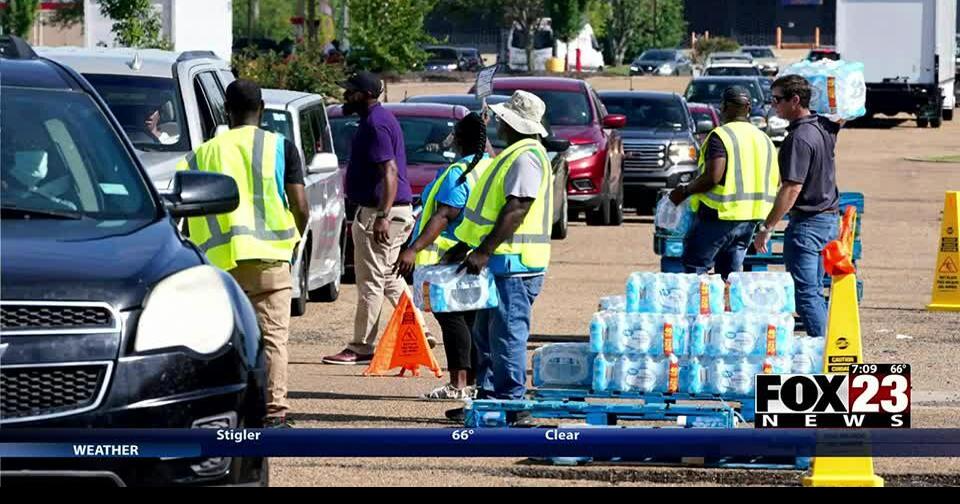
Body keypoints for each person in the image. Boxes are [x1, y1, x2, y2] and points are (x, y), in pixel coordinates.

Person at [177, 80, 310, 428]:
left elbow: (187, 215)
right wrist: (292, 240)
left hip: (221, 267)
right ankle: (275, 411)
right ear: (262, 110)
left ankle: (221, 410)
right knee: (274, 338)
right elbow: (300, 205)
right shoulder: (281, 147)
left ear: (226, 111)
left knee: (221, 341)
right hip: (270, 260)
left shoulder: (202, 153)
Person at [444, 91, 554, 423]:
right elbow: (491, 213)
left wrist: (483, 250)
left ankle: (512, 403)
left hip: (514, 263)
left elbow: (516, 208)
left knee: (507, 335)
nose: (498, 124)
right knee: (488, 335)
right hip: (502, 263)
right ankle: (492, 399)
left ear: (510, 122)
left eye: (502, 119)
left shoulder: (526, 157)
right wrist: (465, 246)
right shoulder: (516, 154)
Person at [322, 71, 433, 365]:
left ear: (366, 95)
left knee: (371, 281)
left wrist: (382, 215)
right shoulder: (376, 120)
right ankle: (419, 329)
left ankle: (361, 347)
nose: (346, 96)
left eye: (351, 91)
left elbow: (390, 172)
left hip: (382, 213)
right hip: (385, 211)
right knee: (388, 276)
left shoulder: (376, 124)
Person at [394, 113, 492, 400]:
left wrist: (413, 249)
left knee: (452, 319)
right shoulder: (489, 167)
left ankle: (458, 385)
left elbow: (444, 215)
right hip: (478, 254)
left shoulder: (457, 173)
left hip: (448, 257)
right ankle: (471, 383)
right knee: (471, 318)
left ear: (459, 140)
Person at [754, 75, 842, 338]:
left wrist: (767, 227)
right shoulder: (824, 128)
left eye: (777, 100)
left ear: (795, 100)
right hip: (828, 221)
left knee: (805, 295)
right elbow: (842, 117)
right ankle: (829, 347)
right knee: (814, 291)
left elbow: (792, 188)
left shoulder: (799, 139)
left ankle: (825, 354)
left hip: (808, 225)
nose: (773, 106)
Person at [669, 86, 779, 279]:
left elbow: (713, 177)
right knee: (730, 277)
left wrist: (684, 191)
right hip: (751, 218)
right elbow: (775, 179)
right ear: (749, 108)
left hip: (719, 214)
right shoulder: (764, 138)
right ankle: (726, 307)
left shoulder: (720, 136)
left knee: (696, 271)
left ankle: (700, 309)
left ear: (724, 107)